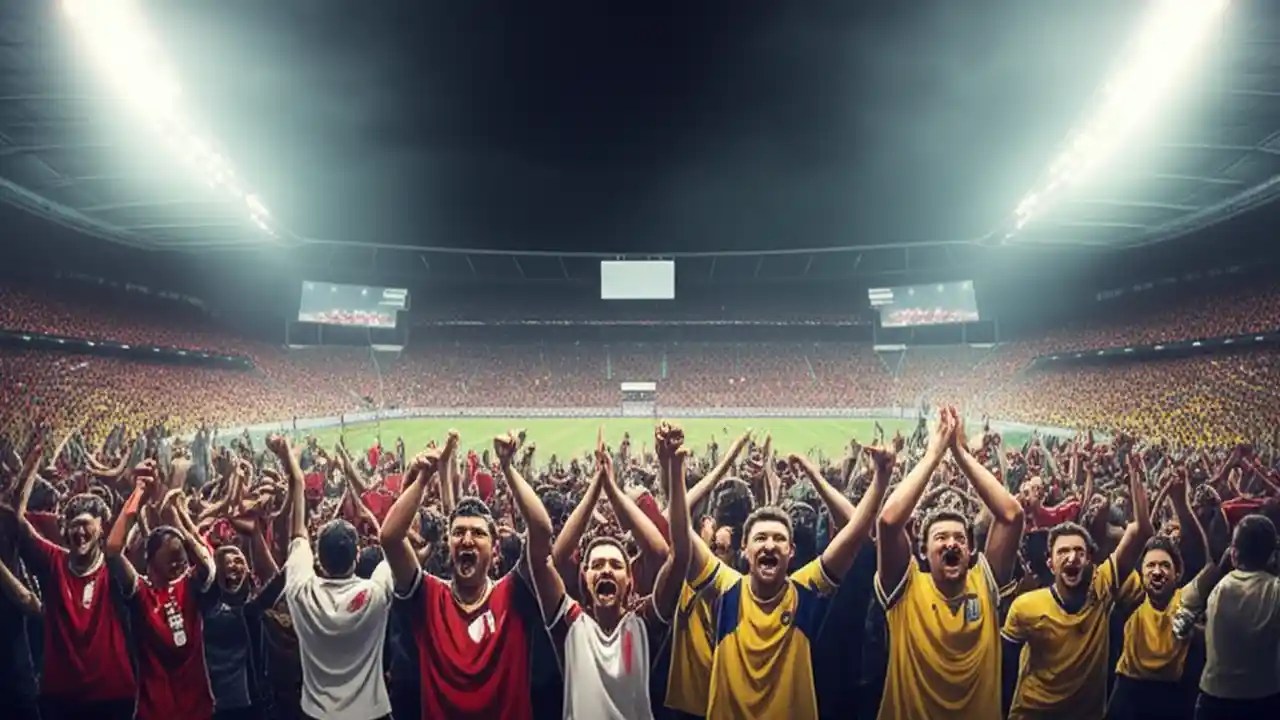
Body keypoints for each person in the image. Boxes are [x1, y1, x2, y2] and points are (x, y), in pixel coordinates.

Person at [686, 439, 889, 720]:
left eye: (779, 539)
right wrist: (673, 468)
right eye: (761, 537)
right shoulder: (727, 589)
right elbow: (680, 533)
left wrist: (881, 479)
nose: (770, 544)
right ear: (744, 548)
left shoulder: (804, 591)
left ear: (791, 551)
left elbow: (855, 535)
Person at [380, 431, 545, 720]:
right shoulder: (428, 596)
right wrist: (422, 480)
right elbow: (390, 538)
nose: (467, 539)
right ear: (449, 543)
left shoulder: (512, 594)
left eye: (478, 533)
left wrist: (508, 468)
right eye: (458, 532)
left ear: (495, 548)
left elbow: (541, 530)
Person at [875, 407, 1025, 720]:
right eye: (940, 537)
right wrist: (933, 454)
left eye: (959, 537)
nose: (951, 543)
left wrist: (958, 452)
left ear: (971, 551)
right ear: (923, 552)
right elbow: (888, 523)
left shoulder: (984, 583)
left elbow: (1012, 516)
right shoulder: (906, 589)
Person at [539, 422, 693, 719]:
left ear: (630, 580)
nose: (606, 570)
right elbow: (553, 561)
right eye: (597, 565)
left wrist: (672, 471)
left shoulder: (643, 625)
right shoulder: (574, 627)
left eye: (616, 565)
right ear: (584, 577)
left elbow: (672, 556)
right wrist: (597, 485)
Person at [1002, 453, 1153, 720]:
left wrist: (1136, 478)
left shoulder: (1102, 587)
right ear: (1050, 564)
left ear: (1089, 560)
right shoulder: (1026, 607)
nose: (1072, 557)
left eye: (1079, 552)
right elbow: (1005, 670)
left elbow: (1141, 531)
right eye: (1063, 552)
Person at [11, 438, 138, 720]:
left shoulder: (116, 568)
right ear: (65, 530)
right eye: (73, 526)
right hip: (60, 698)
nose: (79, 533)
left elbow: (135, 524)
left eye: (85, 525)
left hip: (114, 695)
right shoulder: (53, 561)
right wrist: (31, 466)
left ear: (101, 530)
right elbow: (17, 519)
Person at [273, 434, 396, 720]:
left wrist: (296, 476)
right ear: (357, 556)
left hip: (317, 714)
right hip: (372, 714)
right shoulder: (375, 593)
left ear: (317, 558)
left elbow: (297, 533)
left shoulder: (300, 591)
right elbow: (393, 543)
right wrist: (371, 515)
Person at [106, 460, 218, 720]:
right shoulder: (140, 592)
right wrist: (138, 493)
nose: (180, 562)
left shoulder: (189, 585)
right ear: (151, 559)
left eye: (182, 556)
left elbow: (206, 567)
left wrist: (179, 524)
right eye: (172, 557)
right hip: (154, 712)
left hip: (197, 710)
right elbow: (112, 550)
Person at [1108, 468, 1208, 720]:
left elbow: (1201, 555)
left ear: (1178, 573)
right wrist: (1142, 490)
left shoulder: (1185, 598)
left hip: (1172, 699)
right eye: (1150, 565)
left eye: (1165, 565)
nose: (1157, 571)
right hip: (1129, 697)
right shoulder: (1133, 595)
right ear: (1141, 571)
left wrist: (1181, 504)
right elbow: (1139, 541)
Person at [1175, 514, 1280, 719]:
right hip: (1266, 700)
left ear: (1233, 553)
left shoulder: (1218, 589)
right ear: (1271, 555)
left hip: (1215, 699)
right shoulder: (1275, 591)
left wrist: (1219, 567)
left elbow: (1184, 605)